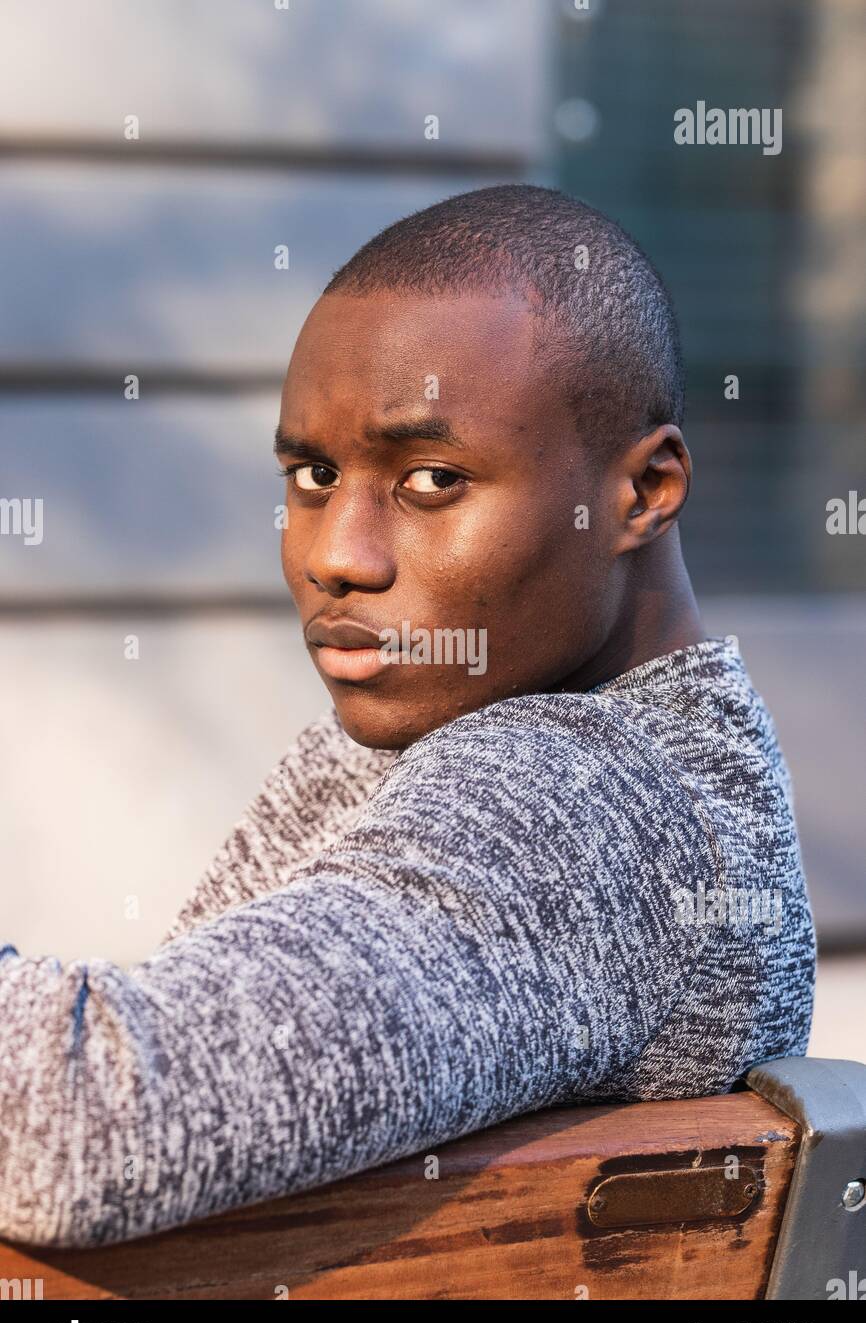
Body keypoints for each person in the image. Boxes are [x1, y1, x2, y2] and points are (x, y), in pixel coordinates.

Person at [0, 185, 815, 1250]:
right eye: (314, 474)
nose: (336, 553)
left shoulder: (579, 802)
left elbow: (86, 1120)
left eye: (431, 479)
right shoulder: (489, 722)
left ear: (642, 491)